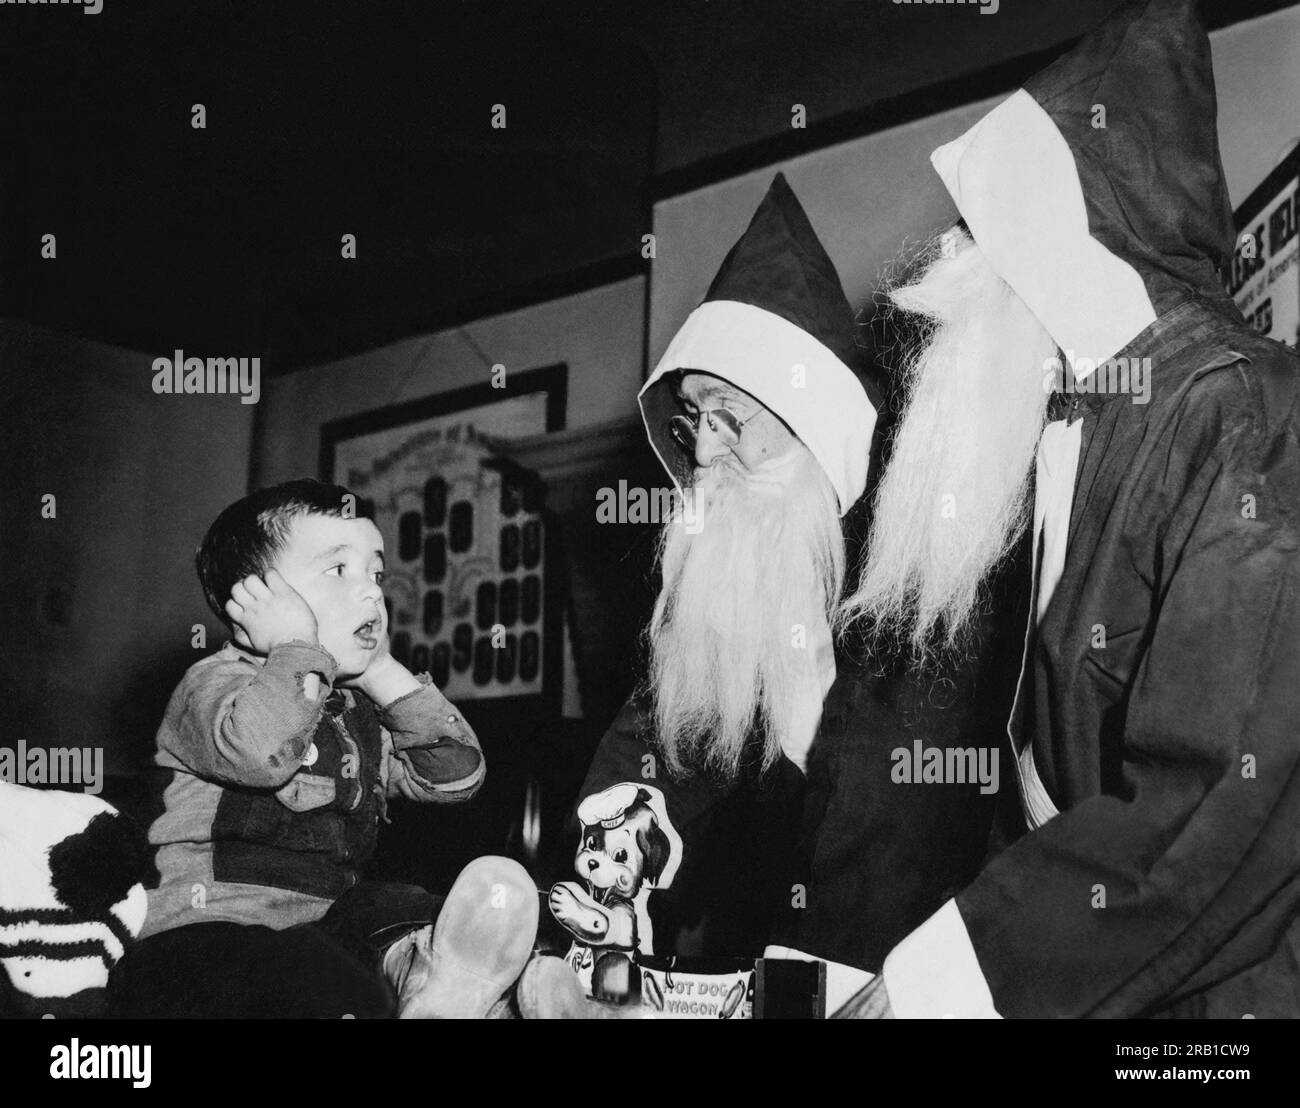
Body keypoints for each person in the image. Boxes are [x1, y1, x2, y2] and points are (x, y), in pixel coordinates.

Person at [837, 0, 1300, 1018]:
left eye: (982, 236)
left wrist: (945, 984)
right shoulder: (1092, 429)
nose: (949, 266)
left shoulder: (1246, 415)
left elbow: (1216, 800)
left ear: (1061, 241)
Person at [547, 174, 1014, 1002]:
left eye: (731, 413)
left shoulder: (927, 574)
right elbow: (649, 767)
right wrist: (592, 929)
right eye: (694, 419)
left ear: (813, 416)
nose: (706, 451)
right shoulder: (733, 587)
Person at [109, 478, 538, 1018]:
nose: (372, 593)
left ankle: (453, 980)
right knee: (323, 979)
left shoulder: (357, 709)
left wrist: (383, 672)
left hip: (330, 925)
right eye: (338, 570)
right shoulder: (212, 685)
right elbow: (263, 753)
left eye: (376, 574)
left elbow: (456, 777)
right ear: (254, 599)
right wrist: (295, 645)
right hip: (207, 936)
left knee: (407, 906)